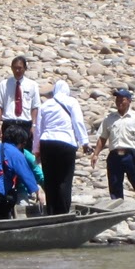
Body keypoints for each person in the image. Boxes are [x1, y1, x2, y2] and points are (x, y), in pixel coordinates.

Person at [89, 86, 135, 216]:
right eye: (117, 99)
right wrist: (95, 154)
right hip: (114, 155)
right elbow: (102, 138)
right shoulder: (109, 118)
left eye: (122, 99)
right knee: (114, 183)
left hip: (131, 155)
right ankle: (117, 210)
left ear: (129, 101)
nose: (119, 102)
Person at [33, 81, 88, 215]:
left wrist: (36, 149)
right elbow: (78, 122)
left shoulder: (45, 105)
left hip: (47, 143)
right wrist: (84, 142)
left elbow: (38, 129)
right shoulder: (72, 102)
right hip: (66, 142)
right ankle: (63, 213)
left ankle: (51, 212)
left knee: (50, 179)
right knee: (65, 180)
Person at [0, 56, 39, 149]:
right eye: (15, 68)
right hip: (9, 123)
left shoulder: (32, 85)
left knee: (26, 152)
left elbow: (35, 107)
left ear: (25, 68)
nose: (17, 71)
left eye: (20, 68)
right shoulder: (4, 84)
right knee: (8, 151)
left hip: (25, 124)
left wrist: (34, 125)